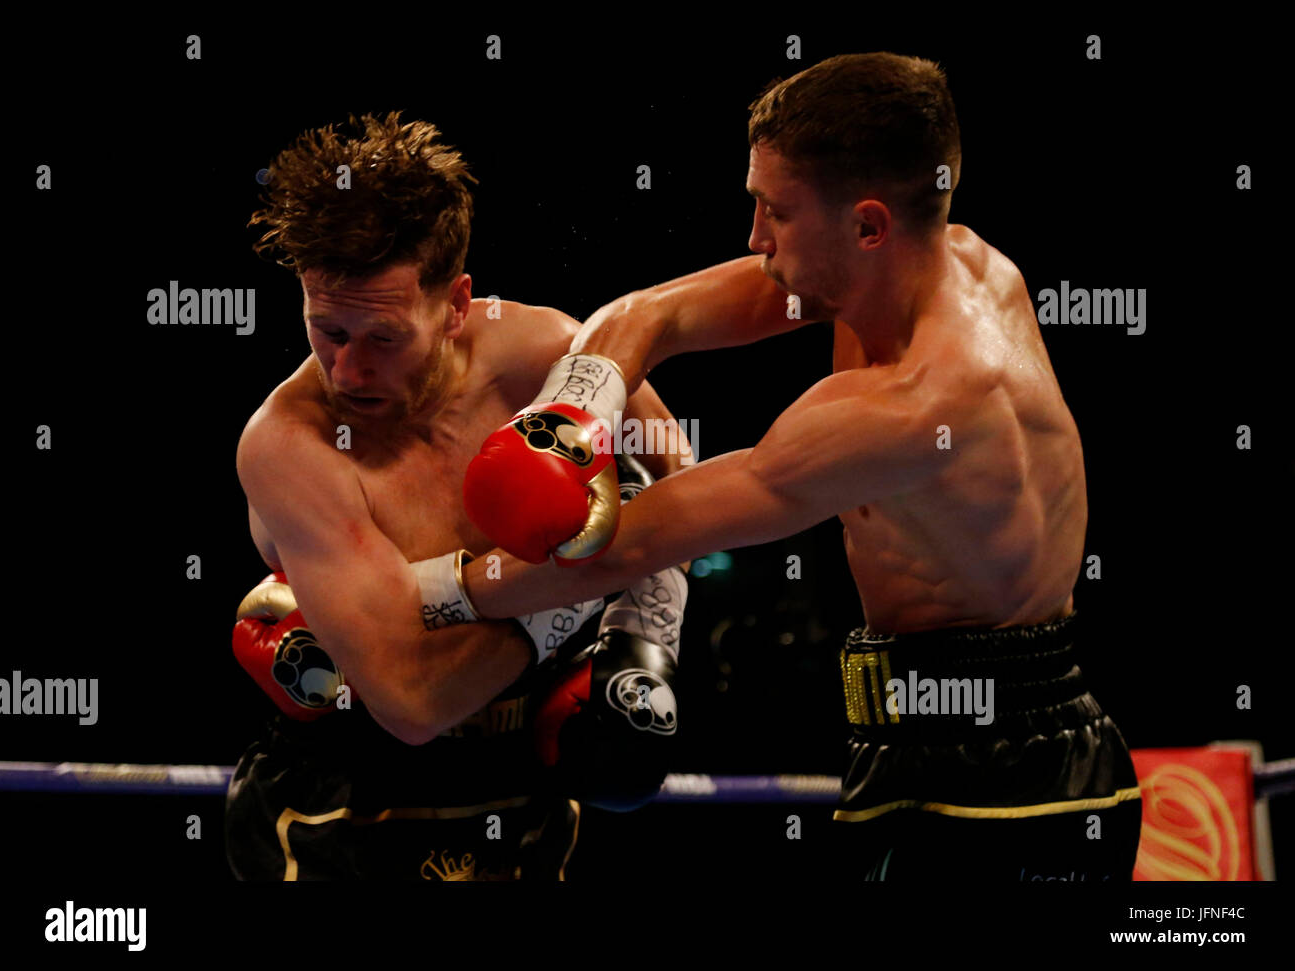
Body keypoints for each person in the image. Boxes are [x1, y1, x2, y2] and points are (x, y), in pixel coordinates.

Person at [420, 53, 1143, 881]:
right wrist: (573, 408)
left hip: (1009, 788)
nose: (754, 236)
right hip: (922, 739)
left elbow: (624, 546)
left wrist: (424, 594)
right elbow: (658, 311)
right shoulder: (930, 263)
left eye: (775, 211)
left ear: (868, 224)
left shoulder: (915, 408)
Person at [225, 111, 687, 881]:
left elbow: (678, 487)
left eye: (381, 338)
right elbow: (412, 699)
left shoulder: (542, 357)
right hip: (343, 796)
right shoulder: (287, 447)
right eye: (325, 330)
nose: (346, 371)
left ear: (458, 303)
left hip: (519, 776)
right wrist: (596, 571)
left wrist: (645, 641)